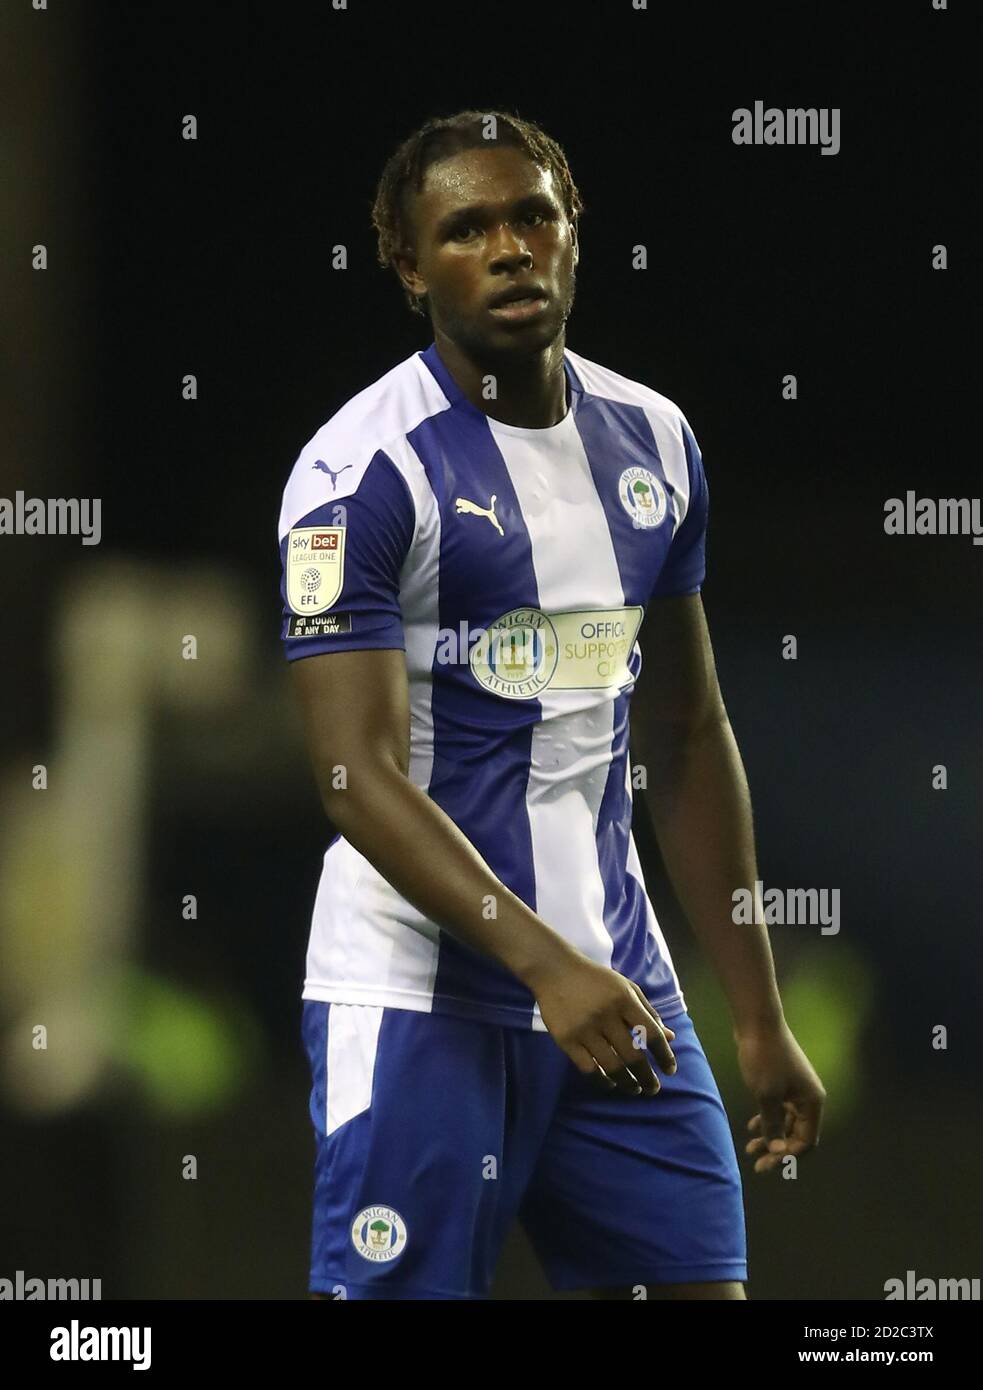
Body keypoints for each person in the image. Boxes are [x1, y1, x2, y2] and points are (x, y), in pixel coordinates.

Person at [277, 109, 825, 1302]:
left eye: (532, 214)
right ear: (412, 268)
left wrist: (754, 1012)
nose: (510, 246)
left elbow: (684, 736)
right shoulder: (358, 472)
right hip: (423, 998)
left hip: (618, 992)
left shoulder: (655, 441)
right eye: (467, 229)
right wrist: (540, 965)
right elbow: (350, 774)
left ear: (574, 233)